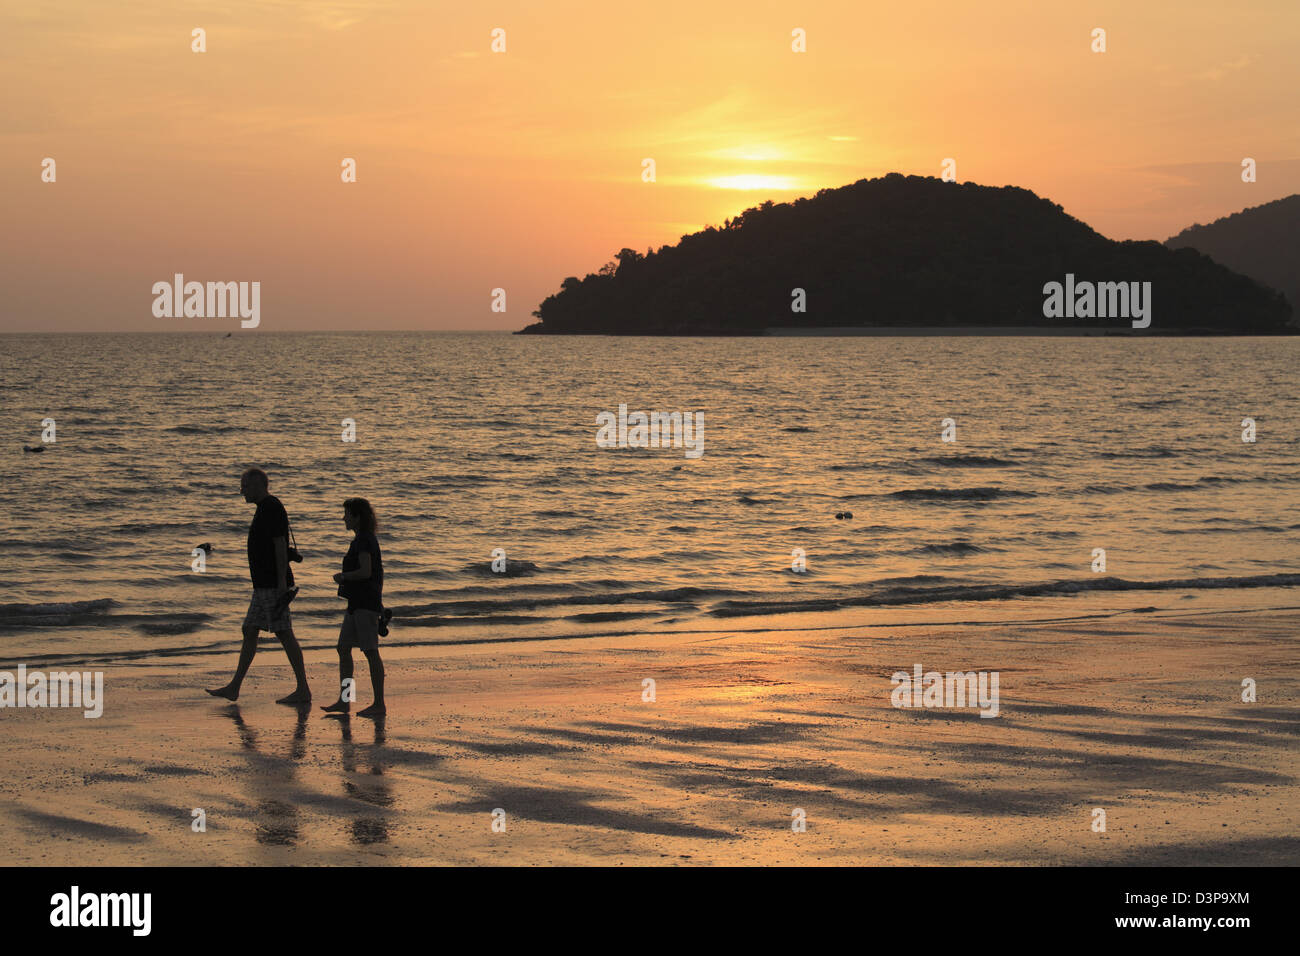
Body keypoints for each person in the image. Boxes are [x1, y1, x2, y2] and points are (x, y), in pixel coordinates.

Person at [207, 468, 312, 704]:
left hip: (272, 584)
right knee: (250, 630)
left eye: (244, 486)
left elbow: (278, 545)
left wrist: (281, 584)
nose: (241, 491)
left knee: (284, 633)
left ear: (257, 485)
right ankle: (234, 687)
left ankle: (303, 689)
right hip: (263, 584)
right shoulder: (265, 508)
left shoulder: (271, 508)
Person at [322, 498, 386, 717]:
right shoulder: (361, 539)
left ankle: (379, 704)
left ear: (357, 517)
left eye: (347, 514)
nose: (344, 518)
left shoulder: (364, 540)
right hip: (356, 603)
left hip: (365, 603)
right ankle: (344, 700)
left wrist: (343, 576)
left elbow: (366, 571)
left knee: (370, 652)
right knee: (343, 648)